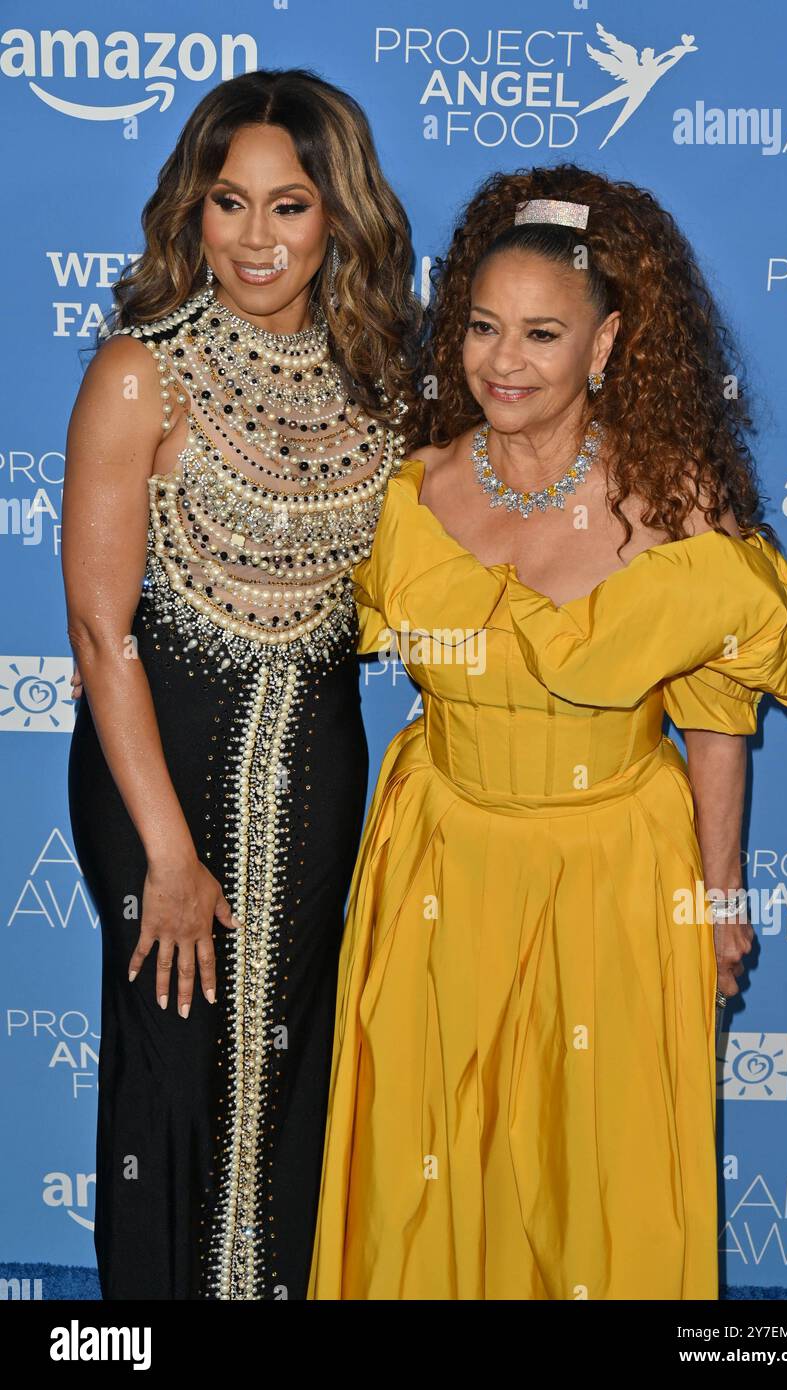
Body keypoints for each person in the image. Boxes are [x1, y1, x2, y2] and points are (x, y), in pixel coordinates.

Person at [307, 167, 787, 1300]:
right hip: (438, 858)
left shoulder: (674, 504)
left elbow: (716, 714)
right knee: (426, 1165)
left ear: (606, 344)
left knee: (598, 1172)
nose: (504, 361)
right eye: (483, 327)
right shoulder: (413, 492)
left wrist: (719, 897)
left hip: (615, 871)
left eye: (543, 334)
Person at [62, 68, 419, 1300]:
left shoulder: (384, 378)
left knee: (290, 1054)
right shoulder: (139, 371)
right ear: (192, 210)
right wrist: (167, 854)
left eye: (290, 205)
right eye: (229, 202)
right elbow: (99, 634)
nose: (256, 237)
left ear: (338, 216)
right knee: (172, 1064)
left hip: (317, 759)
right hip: (154, 765)